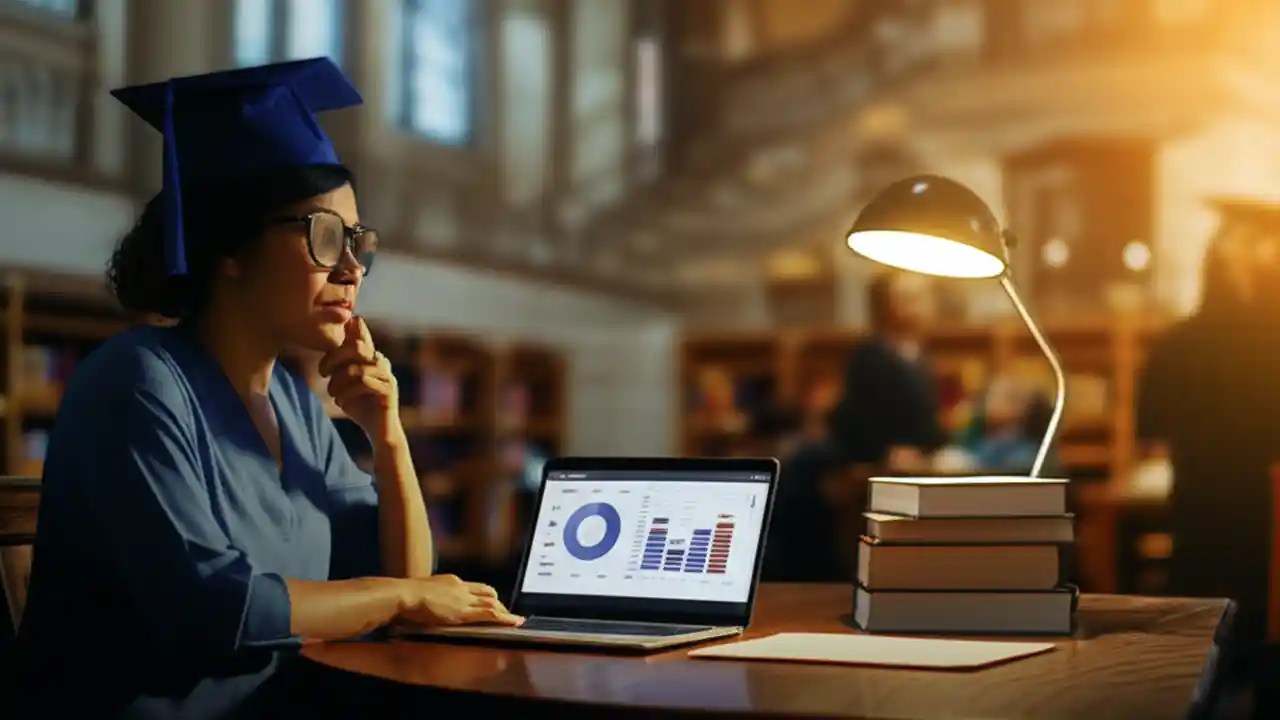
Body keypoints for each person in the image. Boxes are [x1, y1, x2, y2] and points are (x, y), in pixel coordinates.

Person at [13, 59, 521, 718]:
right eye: (324, 236)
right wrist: (398, 597)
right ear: (228, 246)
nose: (351, 269)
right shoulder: (135, 383)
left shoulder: (294, 404)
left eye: (358, 242)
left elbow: (410, 577)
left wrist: (387, 434)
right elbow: (215, 610)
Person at [1137, 198, 1280, 717]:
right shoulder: (1265, 342)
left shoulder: (1176, 344)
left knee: (1195, 634)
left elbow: (1149, 434)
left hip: (1201, 515)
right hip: (1257, 519)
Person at [828, 270, 946, 471]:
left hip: (924, 458)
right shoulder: (870, 356)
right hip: (881, 463)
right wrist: (884, 453)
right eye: (909, 298)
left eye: (923, 296)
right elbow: (854, 420)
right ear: (885, 305)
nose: (920, 306)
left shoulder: (920, 355)